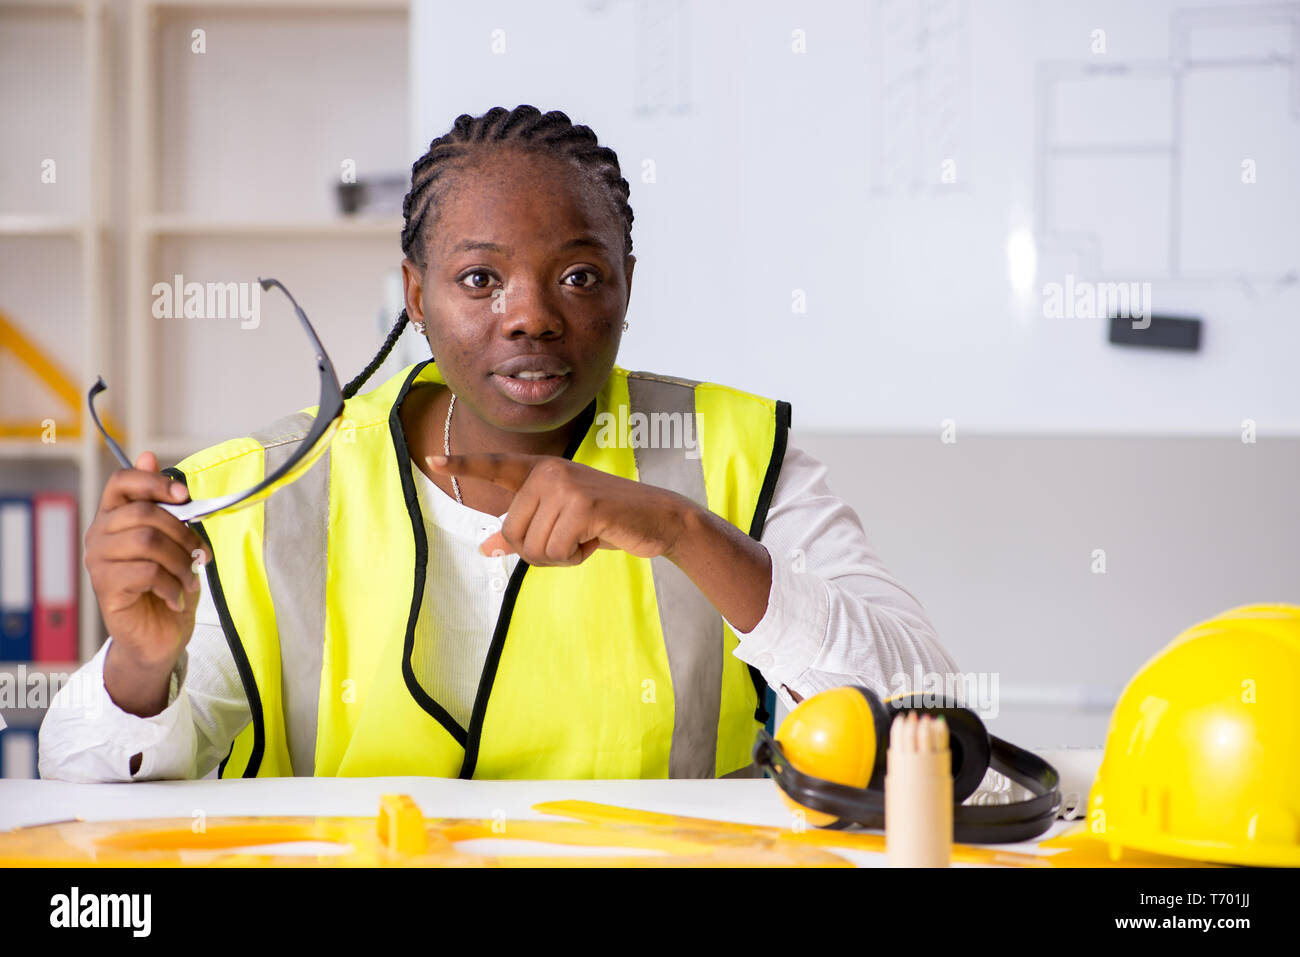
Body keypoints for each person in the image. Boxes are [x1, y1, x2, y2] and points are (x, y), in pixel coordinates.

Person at [40, 105, 960, 782]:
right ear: (414, 293)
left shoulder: (732, 456)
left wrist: (690, 533)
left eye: (579, 275)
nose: (531, 317)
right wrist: (139, 667)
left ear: (628, 284)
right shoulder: (267, 487)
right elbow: (79, 788)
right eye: (480, 277)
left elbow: (931, 718)